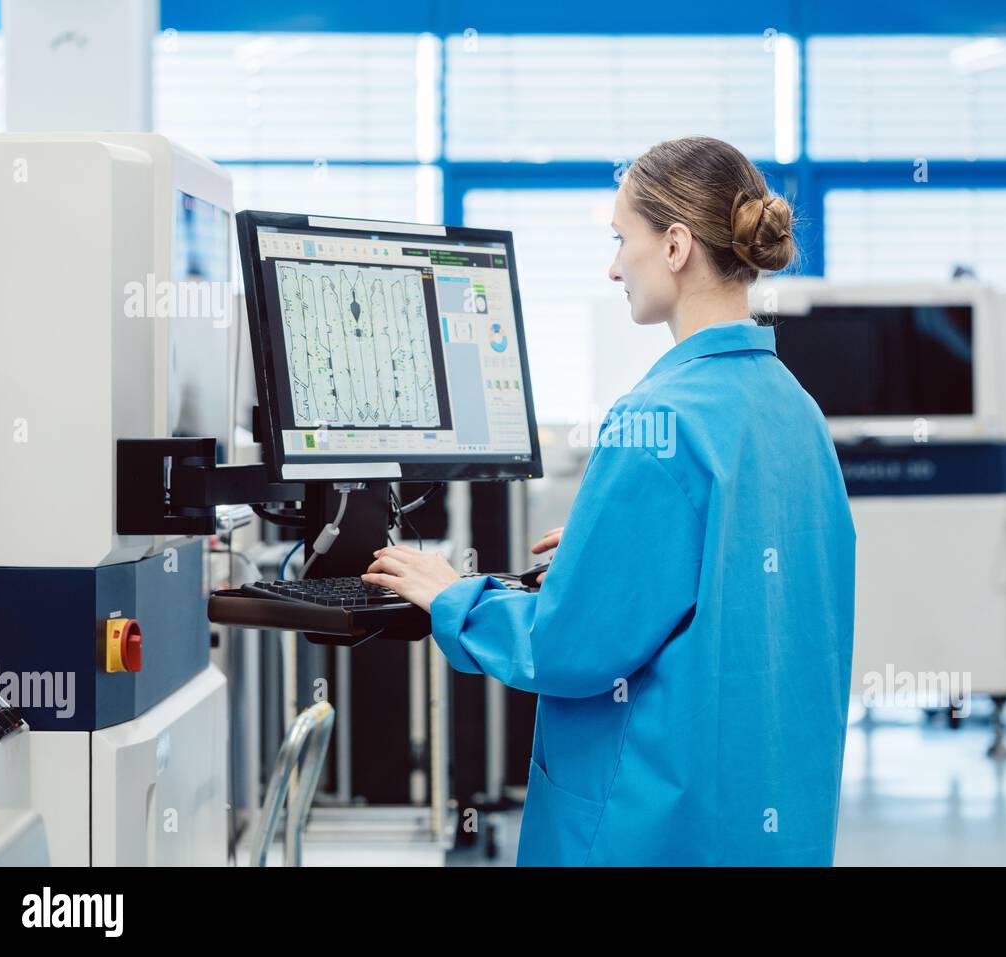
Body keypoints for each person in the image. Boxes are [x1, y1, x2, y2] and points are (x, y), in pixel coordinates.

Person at [364, 135, 856, 866]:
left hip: (652, 834)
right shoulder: (796, 411)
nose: (613, 264)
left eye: (623, 238)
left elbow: (566, 647)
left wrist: (454, 597)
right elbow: (755, 581)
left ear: (678, 245)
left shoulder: (656, 419)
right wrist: (610, 551)